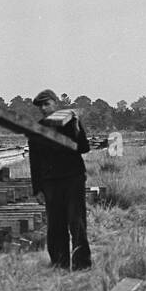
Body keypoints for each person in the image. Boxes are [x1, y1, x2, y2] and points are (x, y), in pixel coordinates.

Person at [27, 88, 91, 270]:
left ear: (56, 103)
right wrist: (37, 189)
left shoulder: (70, 123)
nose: (44, 108)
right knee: (55, 226)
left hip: (73, 179)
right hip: (50, 183)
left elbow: (84, 148)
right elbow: (34, 161)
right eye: (41, 106)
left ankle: (82, 265)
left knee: (76, 222)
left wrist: (77, 127)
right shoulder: (37, 129)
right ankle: (59, 265)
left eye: (47, 104)